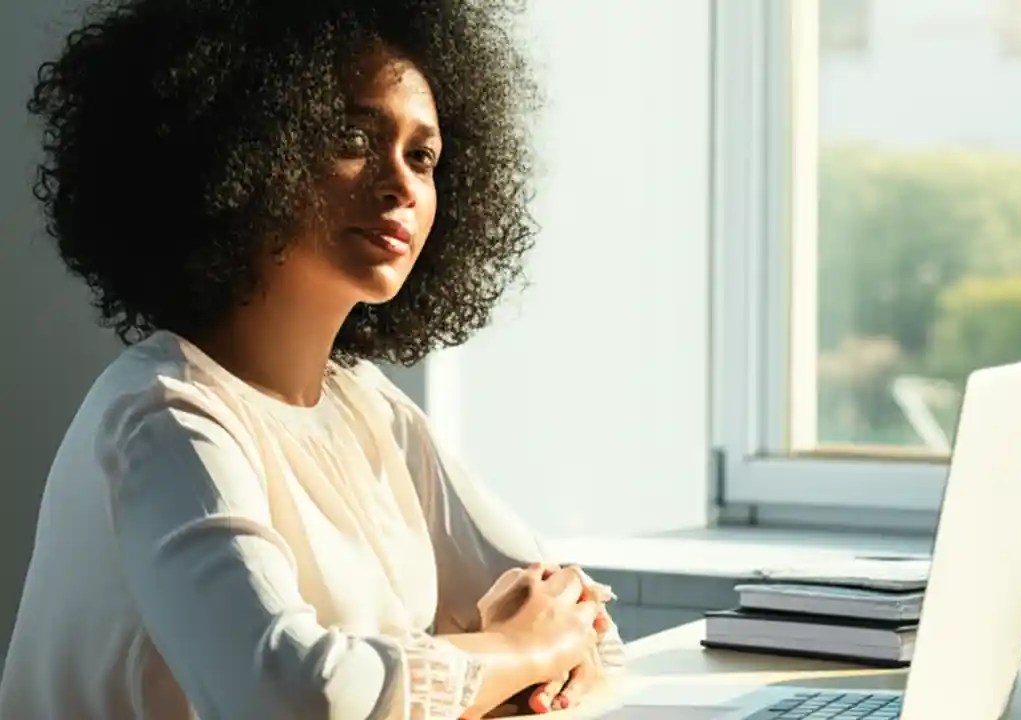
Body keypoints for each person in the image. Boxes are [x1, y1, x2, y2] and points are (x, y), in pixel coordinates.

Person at [0, 0, 624, 717]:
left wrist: (542, 653)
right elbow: (289, 691)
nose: (402, 185)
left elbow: (579, 619)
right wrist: (518, 654)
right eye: (353, 137)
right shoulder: (163, 416)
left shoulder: (369, 407)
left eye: (422, 156)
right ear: (244, 144)